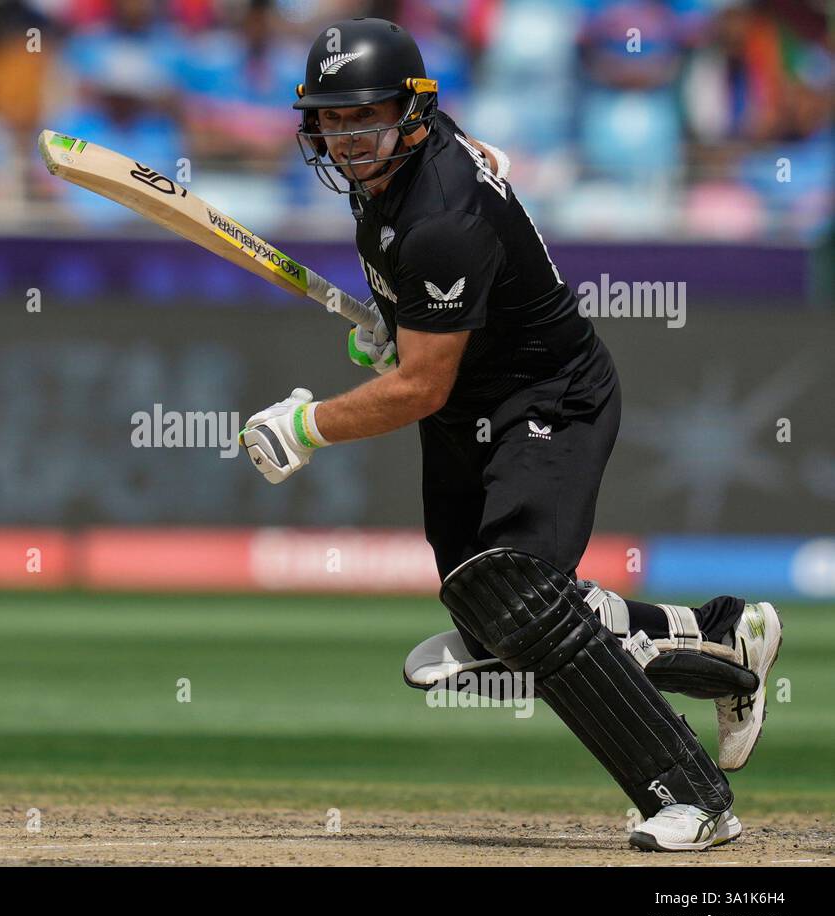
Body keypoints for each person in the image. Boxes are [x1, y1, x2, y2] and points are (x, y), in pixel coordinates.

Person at [238, 17, 783, 853]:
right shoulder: (402, 170)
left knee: (520, 592)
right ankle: (718, 636)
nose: (348, 138)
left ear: (415, 111)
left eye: (366, 116)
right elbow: (427, 339)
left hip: (547, 398)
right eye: (332, 118)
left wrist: (307, 424)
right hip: (473, 404)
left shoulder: (440, 215)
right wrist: (393, 326)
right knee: (496, 624)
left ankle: (692, 797)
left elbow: (419, 387)